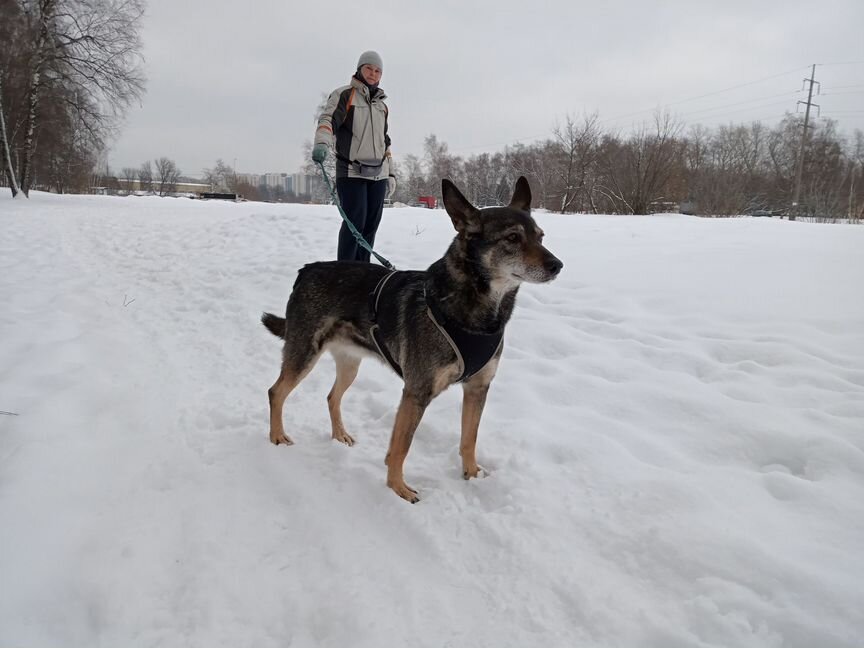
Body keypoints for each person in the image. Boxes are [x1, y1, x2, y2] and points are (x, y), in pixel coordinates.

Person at [312, 50, 396, 263]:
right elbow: (328, 119)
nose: (373, 74)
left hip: (378, 173)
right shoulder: (344, 95)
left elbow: (385, 141)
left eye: (377, 71)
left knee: (370, 226)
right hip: (351, 172)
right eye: (369, 68)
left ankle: (363, 273)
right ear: (360, 69)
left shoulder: (382, 106)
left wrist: (391, 173)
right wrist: (321, 142)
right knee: (354, 225)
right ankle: (345, 273)